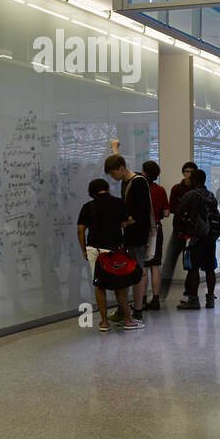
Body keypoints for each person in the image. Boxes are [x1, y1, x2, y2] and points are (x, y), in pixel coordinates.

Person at [77, 179, 144, 331]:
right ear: (107, 188)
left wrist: (83, 249)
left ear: (92, 192)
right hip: (113, 250)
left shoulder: (87, 207)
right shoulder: (118, 203)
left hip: (94, 249)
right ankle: (128, 320)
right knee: (119, 285)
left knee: (99, 285)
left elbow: (80, 230)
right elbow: (125, 222)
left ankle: (104, 323)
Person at [105, 141, 152, 322]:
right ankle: (128, 308)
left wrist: (124, 223)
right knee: (128, 271)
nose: (112, 177)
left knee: (137, 271)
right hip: (130, 234)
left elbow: (140, 212)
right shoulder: (126, 180)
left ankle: (137, 309)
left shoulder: (138, 183)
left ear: (121, 168)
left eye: (113, 173)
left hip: (137, 234)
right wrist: (114, 149)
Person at [175, 170, 220, 309]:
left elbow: (178, 213)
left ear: (194, 180)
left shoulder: (191, 195)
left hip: (197, 236)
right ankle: (210, 299)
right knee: (209, 269)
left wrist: (180, 231)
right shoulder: (211, 195)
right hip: (211, 237)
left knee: (193, 268)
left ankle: (194, 300)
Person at [156, 160, 198, 296]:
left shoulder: (197, 189)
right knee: (170, 260)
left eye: (191, 172)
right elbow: (172, 207)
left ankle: (189, 292)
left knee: (192, 263)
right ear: (183, 173)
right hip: (179, 229)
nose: (189, 174)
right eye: (186, 171)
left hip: (194, 230)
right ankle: (161, 293)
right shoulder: (176, 188)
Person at [141, 160, 168, 309]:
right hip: (157, 229)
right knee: (155, 265)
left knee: (144, 266)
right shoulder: (161, 190)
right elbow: (166, 212)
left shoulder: (140, 188)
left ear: (144, 172)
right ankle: (156, 299)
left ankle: (142, 299)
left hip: (142, 230)